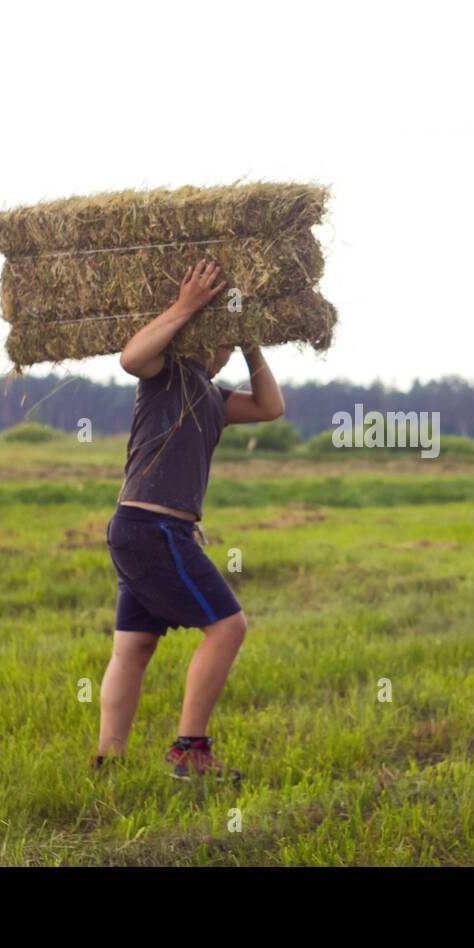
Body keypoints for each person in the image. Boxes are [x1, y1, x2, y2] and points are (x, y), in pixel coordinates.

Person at [92, 258, 285, 782]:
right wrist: (185, 305)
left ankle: (109, 761)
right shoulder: (167, 375)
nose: (221, 347)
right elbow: (132, 356)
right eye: (218, 336)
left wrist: (251, 343)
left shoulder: (213, 395)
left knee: (134, 644)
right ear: (197, 338)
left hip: (135, 529)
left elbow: (271, 408)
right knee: (228, 627)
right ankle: (189, 751)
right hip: (154, 529)